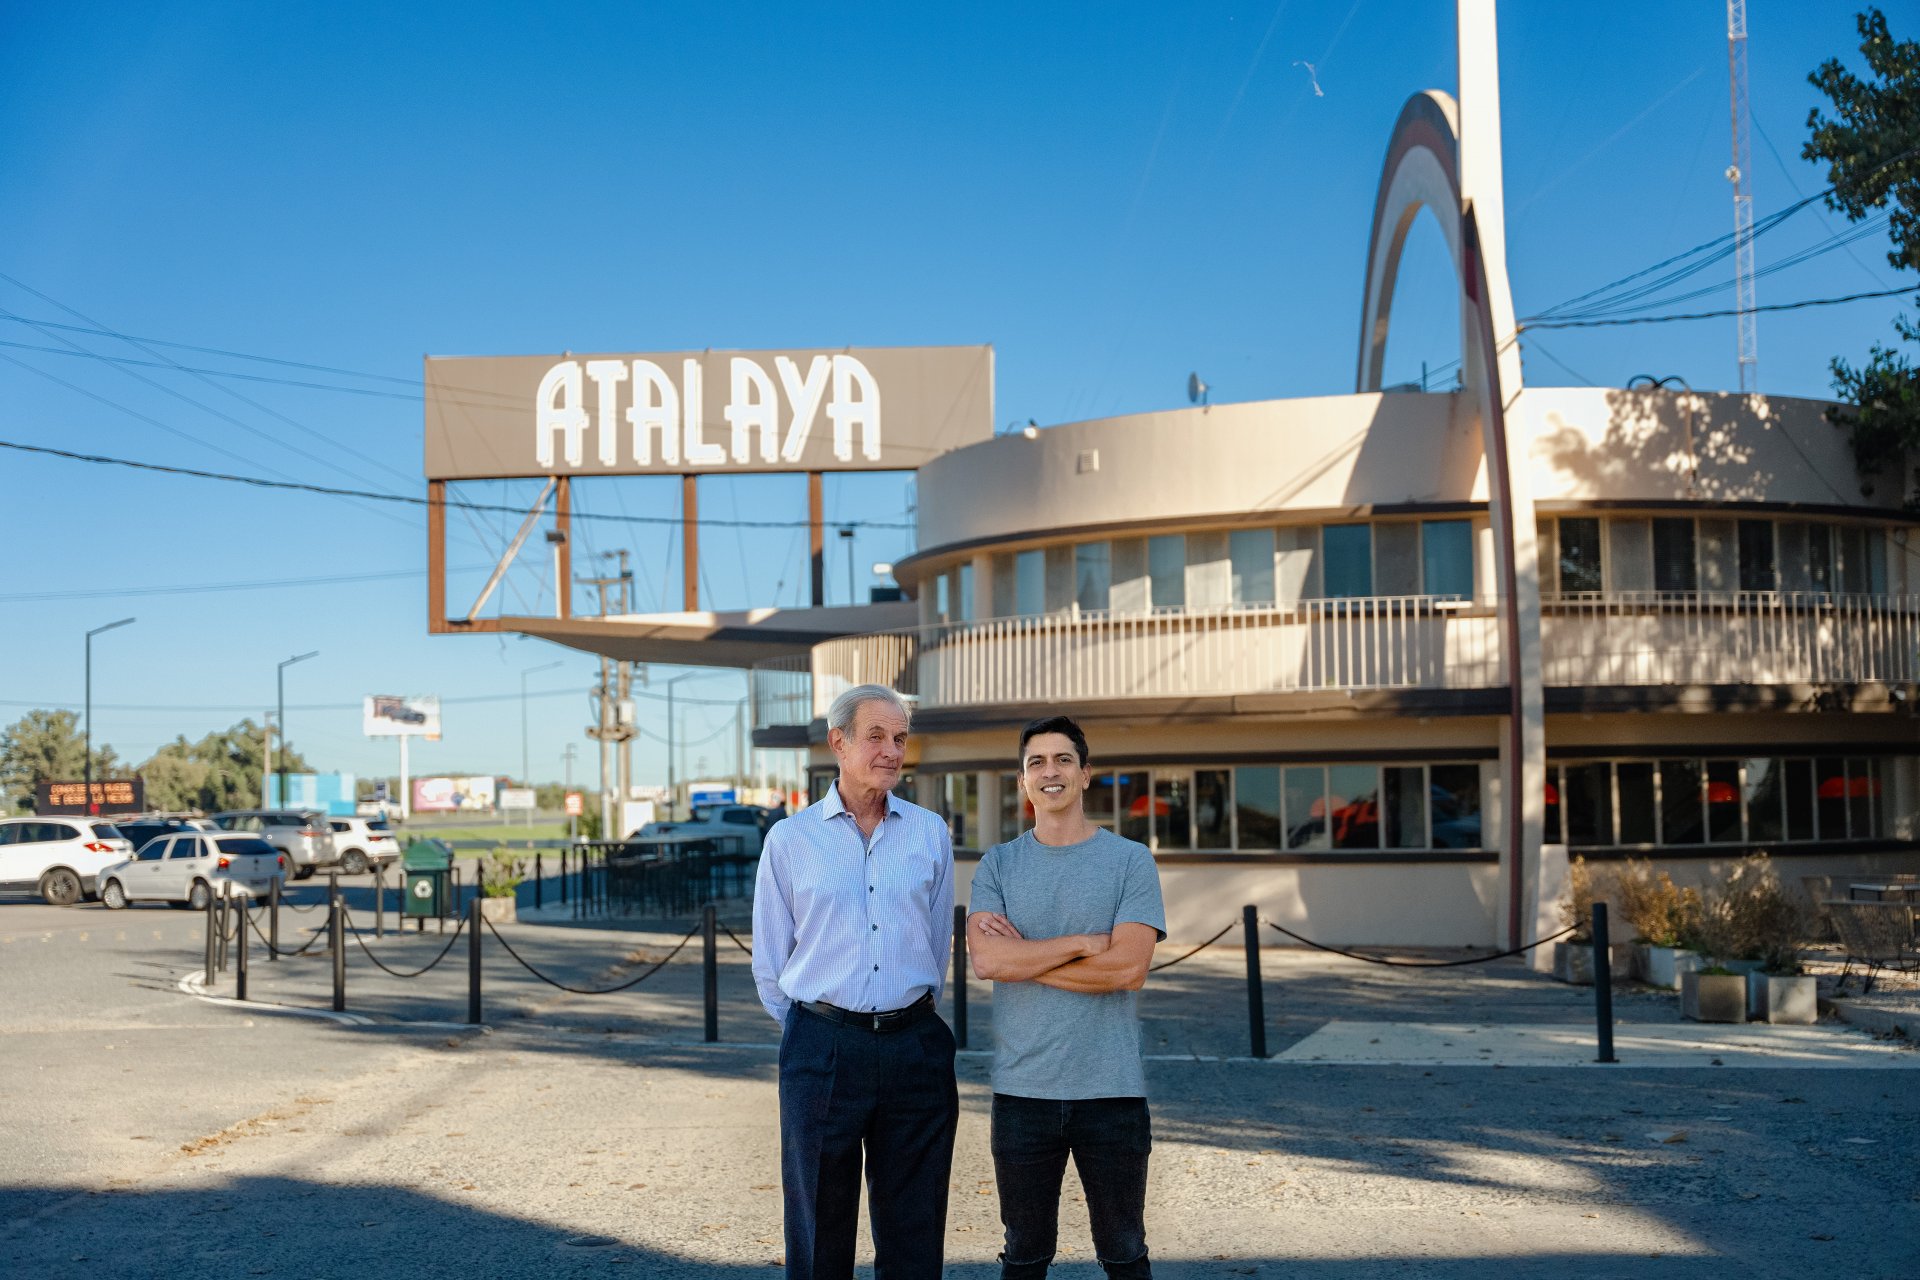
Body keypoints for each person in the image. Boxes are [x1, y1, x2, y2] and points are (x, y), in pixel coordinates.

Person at [751, 683, 958, 1280]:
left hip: (915, 1048)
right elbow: (770, 964)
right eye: (877, 736)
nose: (892, 750)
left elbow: (934, 945)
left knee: (915, 1232)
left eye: (900, 738)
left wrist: (904, 1017)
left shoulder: (928, 833)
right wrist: (815, 1032)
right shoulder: (789, 841)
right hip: (821, 1047)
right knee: (819, 1231)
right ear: (838, 742)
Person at [967, 715, 1165, 1280]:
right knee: (1025, 1255)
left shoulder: (1130, 860)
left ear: (1084, 775)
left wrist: (1025, 960)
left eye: (1062, 760)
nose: (1048, 771)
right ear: (1023, 780)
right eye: (1036, 763)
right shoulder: (999, 864)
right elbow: (987, 960)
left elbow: (1128, 967)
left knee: (1125, 1252)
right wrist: (1080, 944)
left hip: (1113, 1090)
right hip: (1022, 1094)